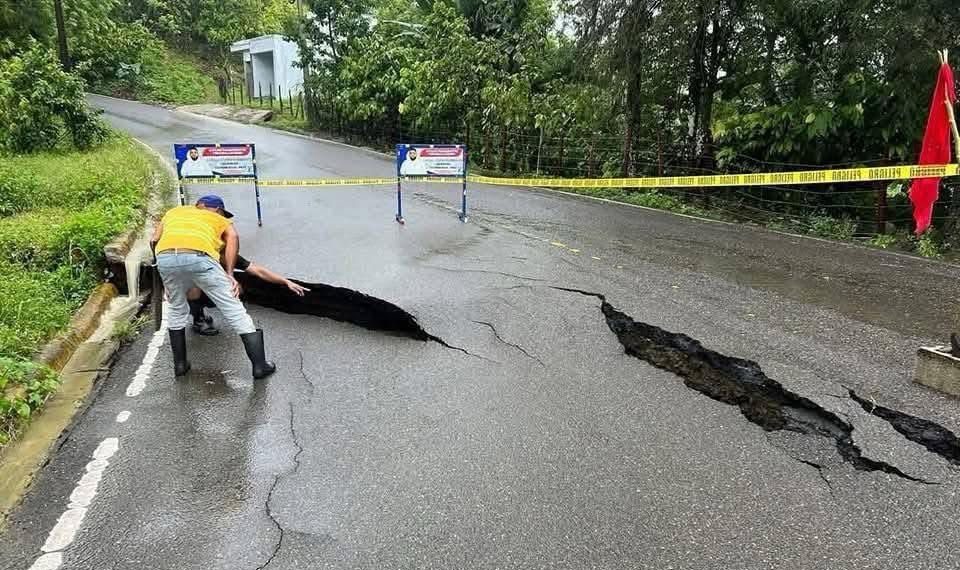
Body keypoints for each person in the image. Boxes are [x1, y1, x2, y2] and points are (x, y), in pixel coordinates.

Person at [152, 195, 277, 379]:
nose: (221, 213)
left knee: (177, 310)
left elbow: (154, 240)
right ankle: (260, 366)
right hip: (199, 257)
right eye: (220, 210)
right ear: (215, 209)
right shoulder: (219, 219)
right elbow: (233, 236)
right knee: (234, 309)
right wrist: (230, 274)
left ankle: (180, 365)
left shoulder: (174, 212)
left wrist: (163, 278)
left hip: (165, 257)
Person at [188, 254, 309, 336]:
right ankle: (198, 319)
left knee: (237, 287)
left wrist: (285, 281)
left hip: (211, 282)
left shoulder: (224, 251)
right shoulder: (196, 254)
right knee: (193, 285)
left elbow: (257, 270)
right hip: (188, 281)